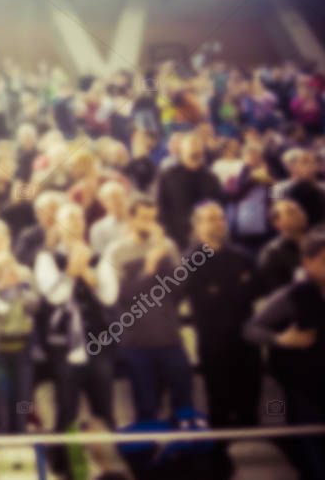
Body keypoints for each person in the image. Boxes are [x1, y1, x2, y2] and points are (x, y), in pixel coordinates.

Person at [244, 234, 325, 480]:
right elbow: (251, 329)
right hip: (298, 389)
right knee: (307, 449)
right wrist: (281, 340)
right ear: (308, 263)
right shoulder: (291, 296)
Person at [183, 201, 261, 479]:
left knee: (250, 401)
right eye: (210, 219)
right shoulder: (191, 260)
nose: (217, 223)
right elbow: (191, 300)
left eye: (220, 218)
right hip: (214, 343)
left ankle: (253, 463)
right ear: (197, 225)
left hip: (246, 342)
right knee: (220, 403)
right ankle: (221, 467)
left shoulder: (242, 255)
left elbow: (255, 291)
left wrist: (223, 293)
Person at [103, 197, 194, 423]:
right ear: (130, 219)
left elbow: (180, 290)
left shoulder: (168, 246)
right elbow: (122, 296)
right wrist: (149, 267)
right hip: (137, 343)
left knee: (184, 405)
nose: (150, 224)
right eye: (144, 218)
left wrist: (164, 257)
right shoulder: (117, 251)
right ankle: (149, 456)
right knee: (146, 408)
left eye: (153, 219)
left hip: (170, 339)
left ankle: (184, 452)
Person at [35, 203, 119, 436]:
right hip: (63, 344)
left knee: (104, 408)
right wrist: (72, 272)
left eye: (79, 218)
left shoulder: (99, 258)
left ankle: (111, 464)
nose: (75, 222)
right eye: (69, 218)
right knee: (67, 409)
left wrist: (86, 272)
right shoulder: (47, 258)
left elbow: (109, 296)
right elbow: (55, 296)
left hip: (98, 341)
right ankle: (66, 466)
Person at [0, 254, 39, 432]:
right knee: (1, 398)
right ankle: (3, 435)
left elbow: (34, 306)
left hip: (22, 354)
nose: (9, 276)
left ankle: (21, 432)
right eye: (3, 272)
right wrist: (0, 292)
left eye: (11, 271)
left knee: (23, 398)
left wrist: (16, 293)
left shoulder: (27, 296)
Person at [156, 133, 223, 248]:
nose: (196, 149)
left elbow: (219, 206)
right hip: (177, 238)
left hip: (207, 240)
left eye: (198, 145)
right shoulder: (168, 176)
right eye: (192, 144)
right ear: (182, 150)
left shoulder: (211, 178)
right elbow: (161, 207)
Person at [258, 198, 308, 294]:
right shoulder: (272, 253)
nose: (298, 214)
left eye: (299, 209)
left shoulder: (317, 244)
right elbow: (274, 290)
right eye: (291, 212)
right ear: (277, 223)